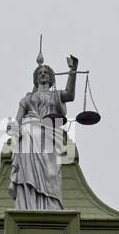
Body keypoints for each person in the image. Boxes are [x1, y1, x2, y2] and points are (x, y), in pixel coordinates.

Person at [8, 52, 77, 209]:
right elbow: (17, 121)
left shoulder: (57, 95)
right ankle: (29, 201)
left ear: (52, 78)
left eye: (46, 73)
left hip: (50, 133)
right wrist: (13, 128)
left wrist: (73, 70)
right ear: (36, 78)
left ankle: (50, 203)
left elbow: (70, 94)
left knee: (50, 171)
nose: (43, 74)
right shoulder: (27, 99)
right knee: (26, 140)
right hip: (29, 132)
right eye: (40, 73)